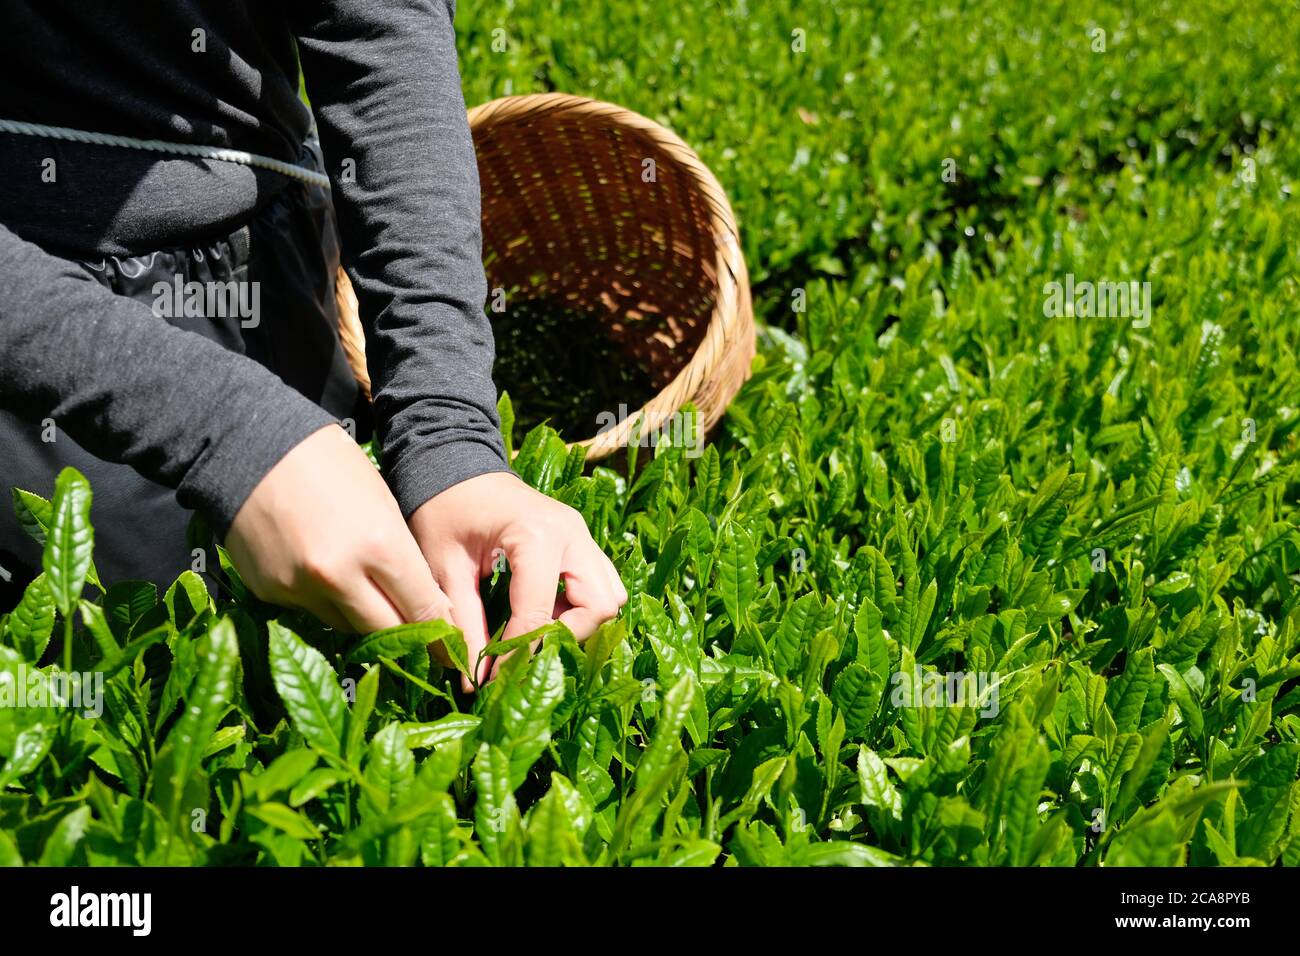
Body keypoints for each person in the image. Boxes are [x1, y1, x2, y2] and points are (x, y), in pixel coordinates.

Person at [0, 0, 627, 687]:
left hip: (268, 255)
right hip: (31, 328)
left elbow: (375, 20)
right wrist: (230, 433)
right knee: (126, 675)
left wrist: (449, 436)